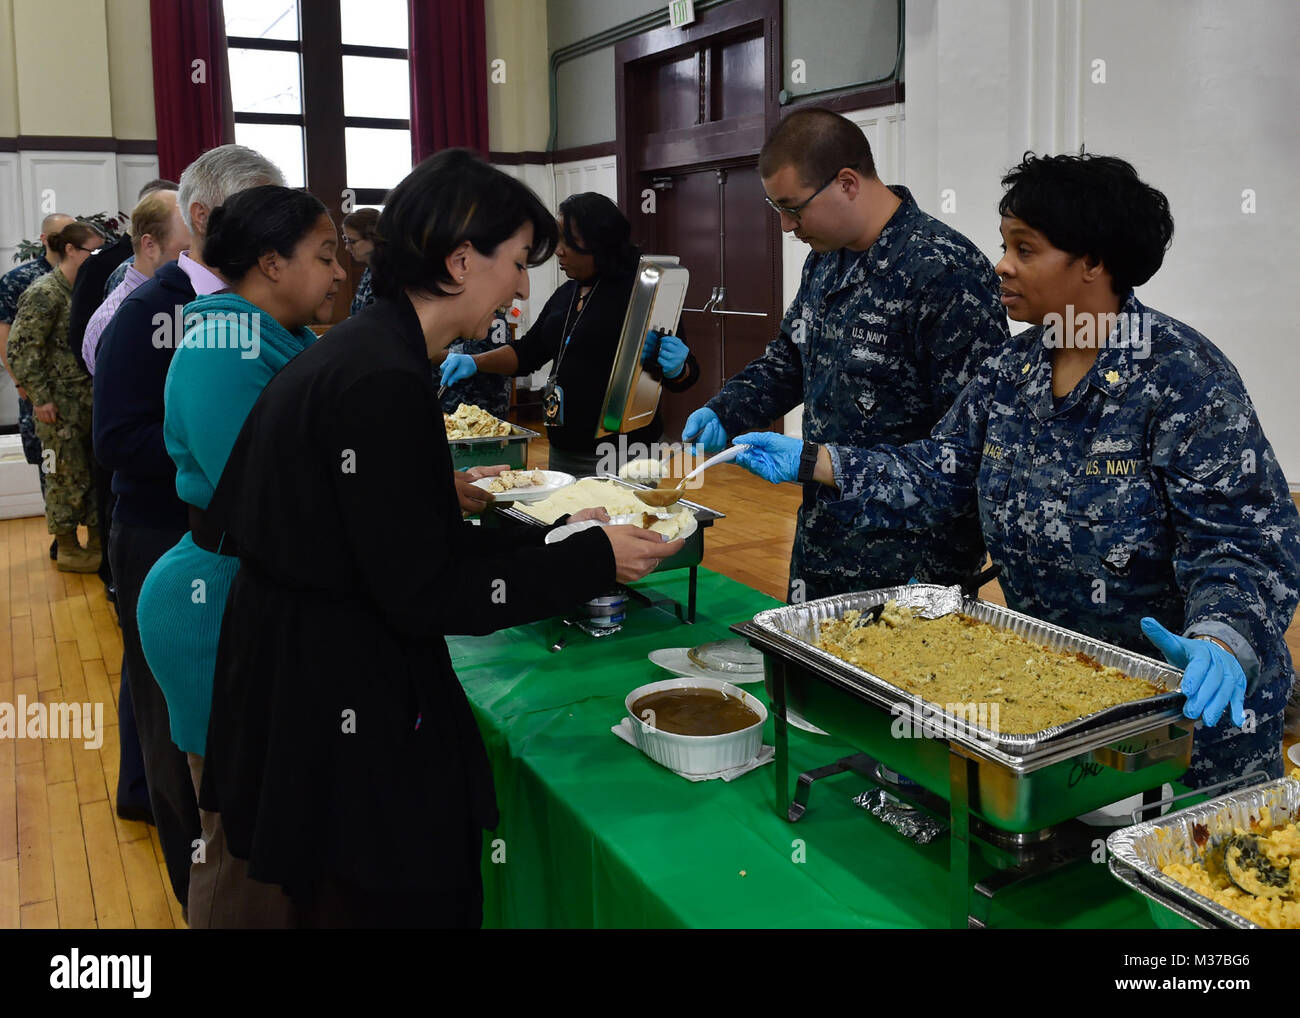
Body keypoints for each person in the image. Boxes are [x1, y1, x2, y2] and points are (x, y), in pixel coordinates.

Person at [195, 149, 681, 927]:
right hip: (339, 698)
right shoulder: (380, 378)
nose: (524, 287)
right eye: (518, 263)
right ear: (460, 262)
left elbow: (411, 540)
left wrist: (556, 540)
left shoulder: (371, 352)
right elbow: (423, 589)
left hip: (309, 664)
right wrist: (593, 561)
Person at [758, 152, 1299, 788]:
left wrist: (1223, 637)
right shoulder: (1011, 372)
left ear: (1094, 263)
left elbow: (1245, 542)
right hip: (1061, 702)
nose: (1002, 266)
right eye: (1004, 243)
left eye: (1026, 248)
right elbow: (940, 473)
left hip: (1184, 727)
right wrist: (814, 460)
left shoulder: (1182, 379)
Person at [681, 109, 1010, 602]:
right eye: (778, 210)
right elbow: (789, 359)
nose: (788, 226)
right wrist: (726, 409)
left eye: (794, 208)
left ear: (848, 183)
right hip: (824, 536)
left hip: (910, 559)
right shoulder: (825, 260)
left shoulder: (944, 272)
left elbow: (969, 447)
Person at [93, 144, 286, 913]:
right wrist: (200, 448)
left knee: (222, 739)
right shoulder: (155, 308)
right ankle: (194, 893)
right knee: (179, 745)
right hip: (163, 538)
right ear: (202, 217)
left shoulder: (248, 308)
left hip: (223, 548)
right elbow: (114, 438)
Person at [138, 183, 345, 793]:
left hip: (251, 594)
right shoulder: (222, 352)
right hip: (213, 607)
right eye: (325, 255)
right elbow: (272, 498)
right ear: (272, 263)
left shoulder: (281, 341)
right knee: (238, 845)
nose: (339, 274)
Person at [439, 191, 699, 477]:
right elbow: (527, 353)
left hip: (622, 453)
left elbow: (684, 376)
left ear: (599, 243)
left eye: (568, 241)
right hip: (565, 451)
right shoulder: (567, 293)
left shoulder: (641, 295)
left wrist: (677, 368)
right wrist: (476, 362)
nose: (558, 250)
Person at [7, 221, 104, 572]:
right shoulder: (44, 293)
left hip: (87, 403)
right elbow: (20, 349)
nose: (97, 258)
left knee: (93, 475)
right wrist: (40, 398)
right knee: (62, 477)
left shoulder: (87, 290)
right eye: (91, 251)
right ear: (69, 251)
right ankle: (66, 548)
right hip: (56, 409)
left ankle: (96, 541)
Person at [1, 211, 76, 559]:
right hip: (37, 391)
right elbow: (7, 336)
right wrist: (22, 385)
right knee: (50, 463)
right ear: (45, 239)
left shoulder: (84, 274)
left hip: (76, 393)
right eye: (62, 234)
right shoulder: (21, 279)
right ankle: (61, 536)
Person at [84, 188, 192, 374]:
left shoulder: (185, 296)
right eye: (187, 249)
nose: (197, 257)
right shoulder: (109, 322)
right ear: (150, 246)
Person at [343, 207, 378, 315]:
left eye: (352, 241)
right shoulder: (369, 269)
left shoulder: (389, 276)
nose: (347, 247)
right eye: (345, 239)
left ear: (374, 239)